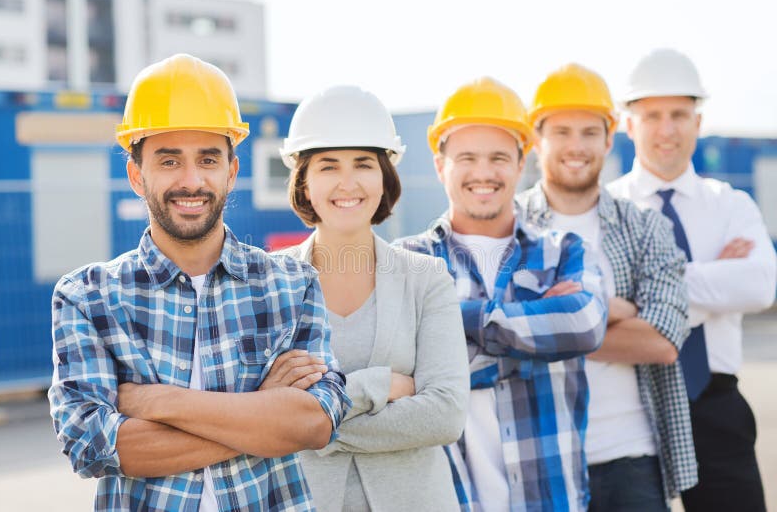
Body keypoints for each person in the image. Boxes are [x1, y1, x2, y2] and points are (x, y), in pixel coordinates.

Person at [48, 54, 350, 511]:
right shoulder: (88, 298)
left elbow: (316, 423)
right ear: (137, 175)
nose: (191, 181)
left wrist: (159, 402)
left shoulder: (292, 285)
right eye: (169, 160)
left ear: (231, 172)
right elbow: (93, 446)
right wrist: (263, 409)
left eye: (208, 159)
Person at [395, 77, 607, 512]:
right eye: (467, 158)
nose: (484, 173)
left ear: (521, 163)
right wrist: (536, 337)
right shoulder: (407, 261)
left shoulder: (563, 250)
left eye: (498, 158)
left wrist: (451, 326)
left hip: (552, 499)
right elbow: (399, 380)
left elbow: (584, 324)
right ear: (440, 165)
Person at [268, 85, 469, 512]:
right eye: (328, 166)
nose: (348, 183)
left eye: (363, 164)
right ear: (304, 183)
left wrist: (308, 424)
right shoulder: (266, 282)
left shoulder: (426, 280)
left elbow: (446, 415)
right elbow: (256, 413)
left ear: (384, 177)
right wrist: (376, 386)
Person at [518, 63, 697, 511]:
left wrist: (548, 322)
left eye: (589, 132)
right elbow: (494, 333)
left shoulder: (646, 227)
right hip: (537, 456)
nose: (576, 146)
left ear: (608, 140)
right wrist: (613, 308)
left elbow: (662, 343)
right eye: (561, 132)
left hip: (631, 460)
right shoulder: (507, 228)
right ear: (537, 140)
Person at [608, 48, 777, 512]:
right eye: (653, 115)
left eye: (679, 115)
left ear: (697, 122)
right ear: (629, 125)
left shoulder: (731, 204)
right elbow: (598, 303)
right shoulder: (606, 210)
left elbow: (760, 285)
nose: (667, 129)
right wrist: (716, 276)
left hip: (716, 406)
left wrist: (644, 293)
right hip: (629, 404)